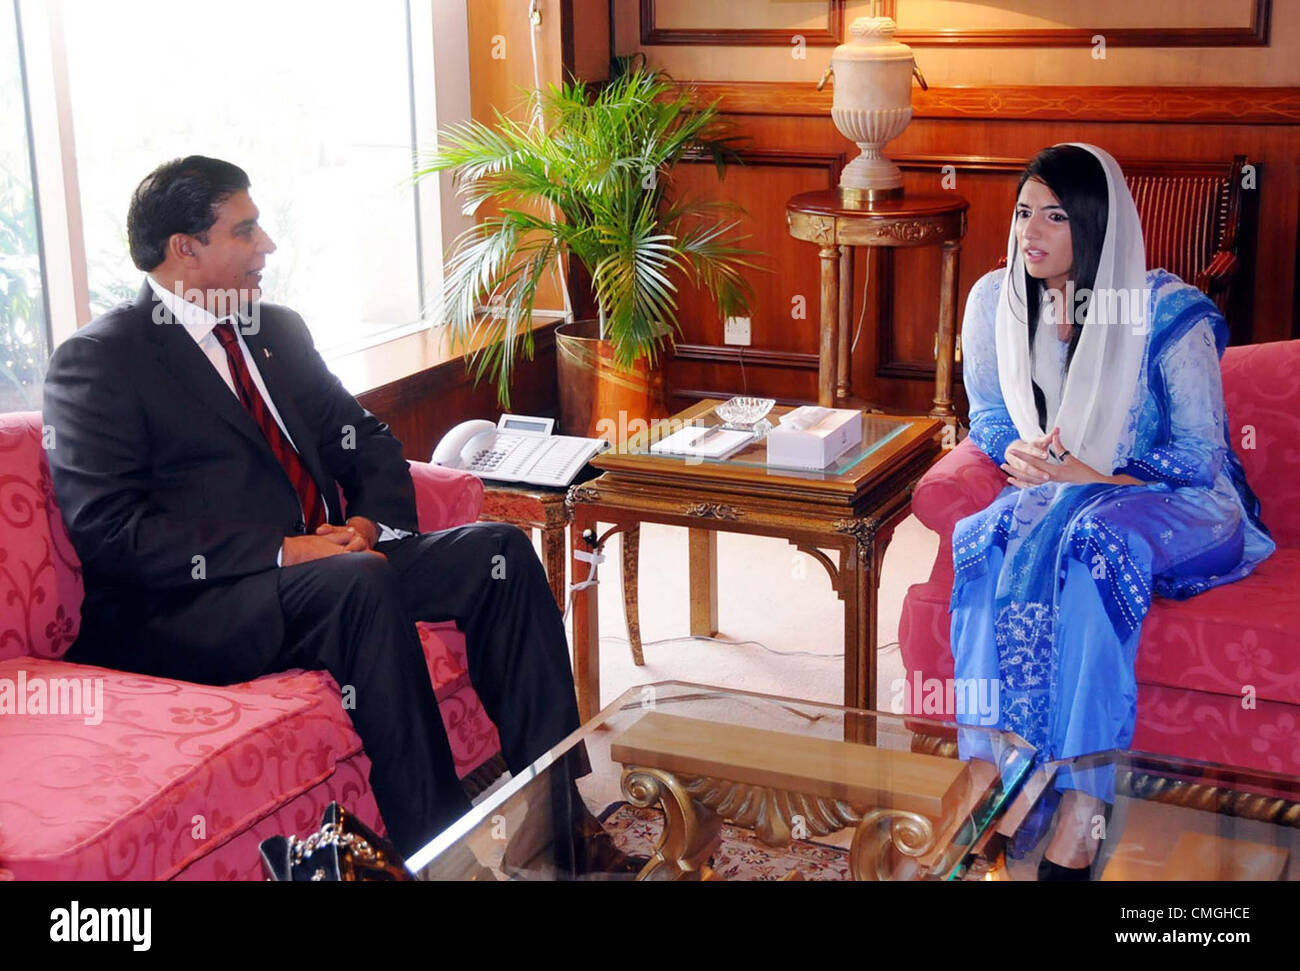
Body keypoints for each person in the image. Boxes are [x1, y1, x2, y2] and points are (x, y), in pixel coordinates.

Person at [42, 155, 637, 877]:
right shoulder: (101, 361)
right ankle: (444, 853)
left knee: (499, 552)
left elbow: (367, 441)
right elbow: (110, 532)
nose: (268, 247)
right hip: (196, 604)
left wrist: (363, 526)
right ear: (184, 248)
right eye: (246, 230)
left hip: (331, 564)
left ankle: (561, 827)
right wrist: (286, 550)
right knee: (357, 584)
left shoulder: (276, 331)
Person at [950, 143, 1274, 880]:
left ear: (1095, 225)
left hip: (1177, 501)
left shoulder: (1166, 313)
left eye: (1056, 217)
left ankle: (1080, 807)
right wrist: (1021, 455)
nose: (1030, 233)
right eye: (1024, 213)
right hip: (1062, 491)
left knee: (1096, 539)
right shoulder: (993, 303)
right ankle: (992, 771)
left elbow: (1200, 455)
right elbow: (990, 415)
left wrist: (1096, 474)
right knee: (986, 535)